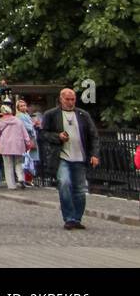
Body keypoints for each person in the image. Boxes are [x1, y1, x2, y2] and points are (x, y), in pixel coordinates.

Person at [38, 87, 100, 230]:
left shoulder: (83, 115)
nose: (70, 102)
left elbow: (93, 135)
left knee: (79, 189)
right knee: (64, 183)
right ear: (61, 99)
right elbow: (42, 134)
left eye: (72, 99)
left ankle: (77, 218)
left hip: (80, 157)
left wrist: (94, 154)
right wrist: (57, 137)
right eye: (67, 99)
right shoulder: (51, 114)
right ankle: (69, 218)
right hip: (61, 157)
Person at [0, 104, 33, 191]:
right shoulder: (18, 121)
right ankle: (21, 178)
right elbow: (25, 133)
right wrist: (27, 143)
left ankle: (11, 185)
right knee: (18, 163)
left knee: (8, 166)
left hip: (5, 146)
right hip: (18, 145)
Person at [16, 100, 39, 186]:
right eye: (21, 106)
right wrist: (33, 124)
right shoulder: (20, 116)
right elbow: (25, 126)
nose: (23, 107)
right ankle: (25, 178)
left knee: (30, 159)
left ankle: (29, 179)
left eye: (24, 105)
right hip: (26, 139)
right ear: (18, 108)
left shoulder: (27, 115)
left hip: (31, 138)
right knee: (26, 159)